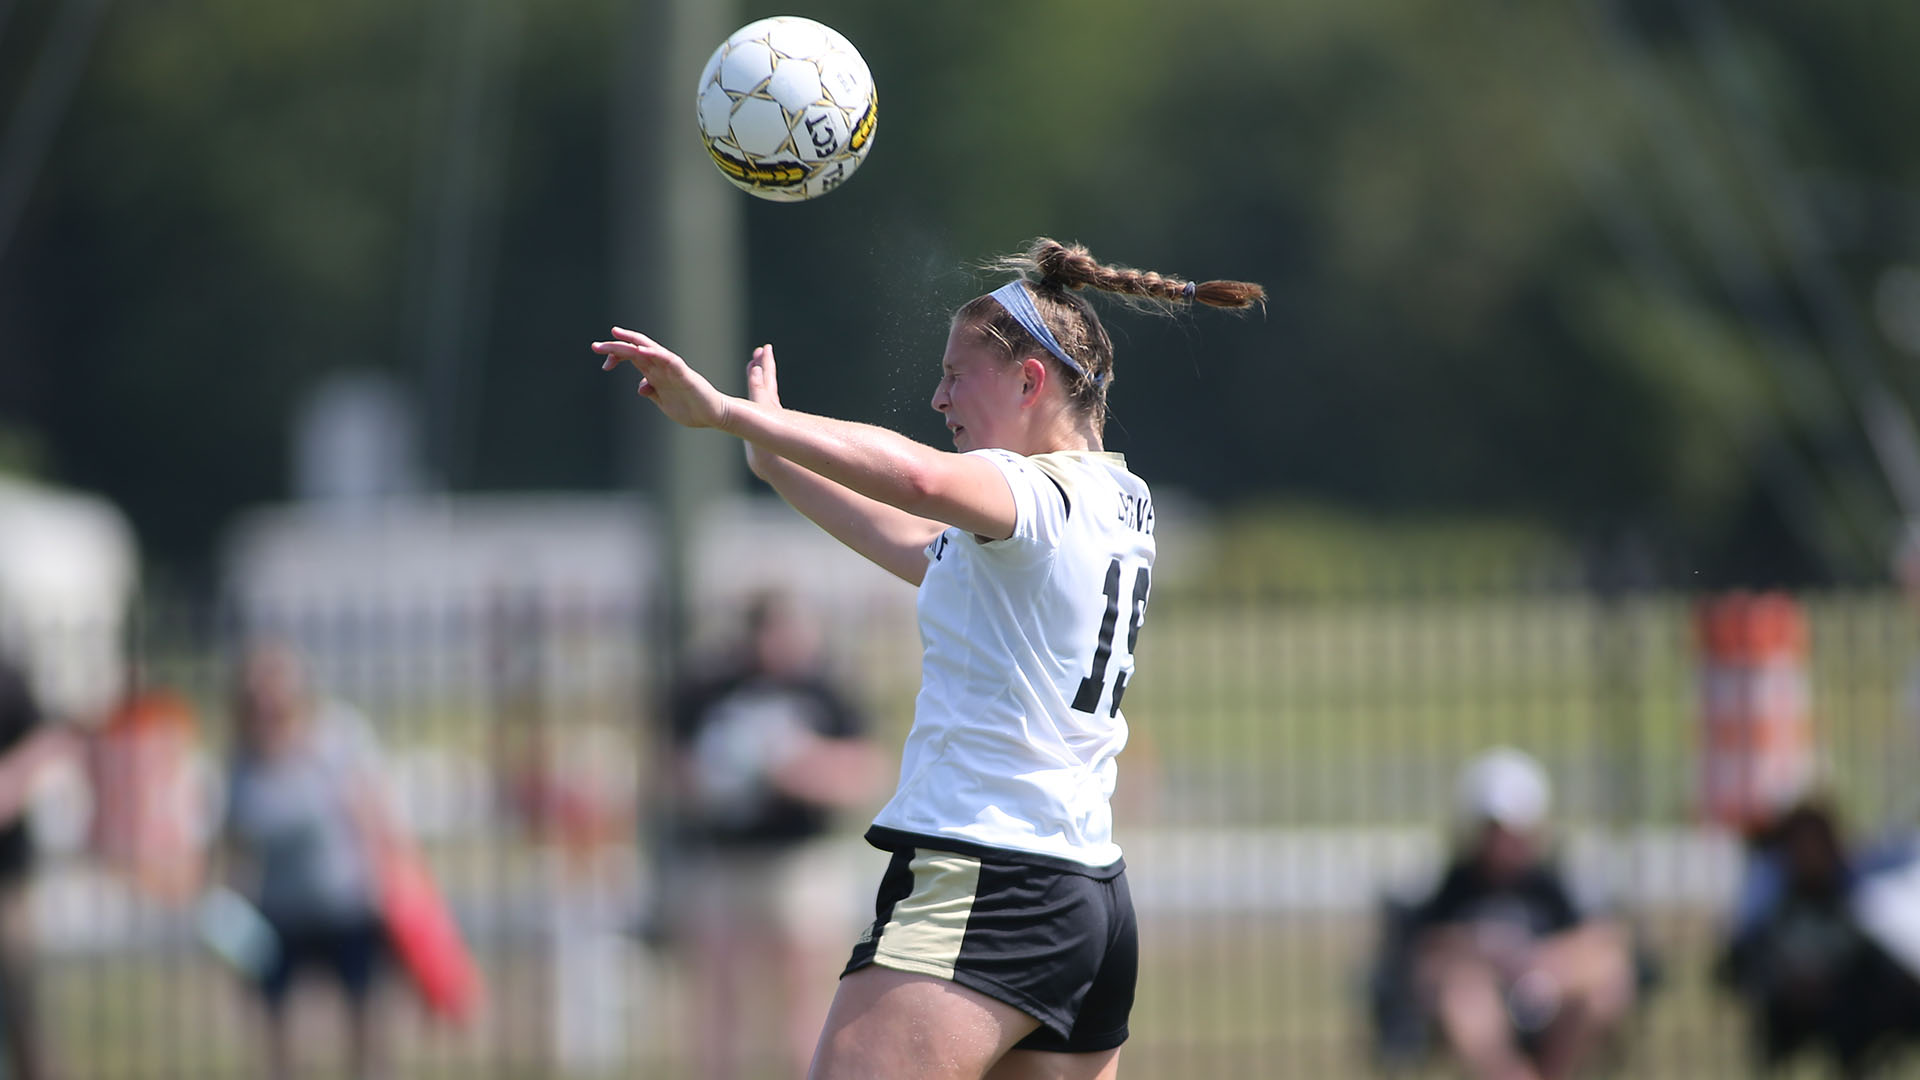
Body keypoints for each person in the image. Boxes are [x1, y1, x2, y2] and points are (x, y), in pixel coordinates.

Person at [595, 238, 1263, 1080]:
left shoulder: (1038, 493)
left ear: (1030, 382)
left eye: (958, 374)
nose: (938, 395)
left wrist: (732, 413)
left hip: (987, 878)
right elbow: (918, 542)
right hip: (1086, 897)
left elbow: (913, 481)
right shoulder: (1116, 501)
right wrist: (776, 463)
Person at [664, 589, 886, 1079]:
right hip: (723, 863)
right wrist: (717, 777)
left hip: (801, 864)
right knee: (717, 999)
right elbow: (673, 771)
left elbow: (865, 771)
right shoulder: (709, 689)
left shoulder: (824, 689)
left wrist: (801, 768)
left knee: (805, 997)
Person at [220, 643, 397, 1080]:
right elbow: (233, 839)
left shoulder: (337, 737)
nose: (268, 702)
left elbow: (376, 813)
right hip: (279, 913)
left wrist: (391, 883)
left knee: (366, 1024)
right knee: (278, 1033)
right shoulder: (244, 759)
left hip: (348, 904)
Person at [1405, 748, 1636, 1080]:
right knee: (1465, 998)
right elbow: (1427, 951)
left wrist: (1546, 965)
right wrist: (1479, 948)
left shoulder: (1554, 881)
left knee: (1607, 984)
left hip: (1551, 996)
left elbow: (1601, 941)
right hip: (1488, 1003)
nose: (1503, 842)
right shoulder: (1456, 885)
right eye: (1493, 829)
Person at [0, 650, 80, 1080]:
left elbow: (53, 740)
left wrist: (12, 777)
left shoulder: (6, 675)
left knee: (21, 1011)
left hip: (5, 881)